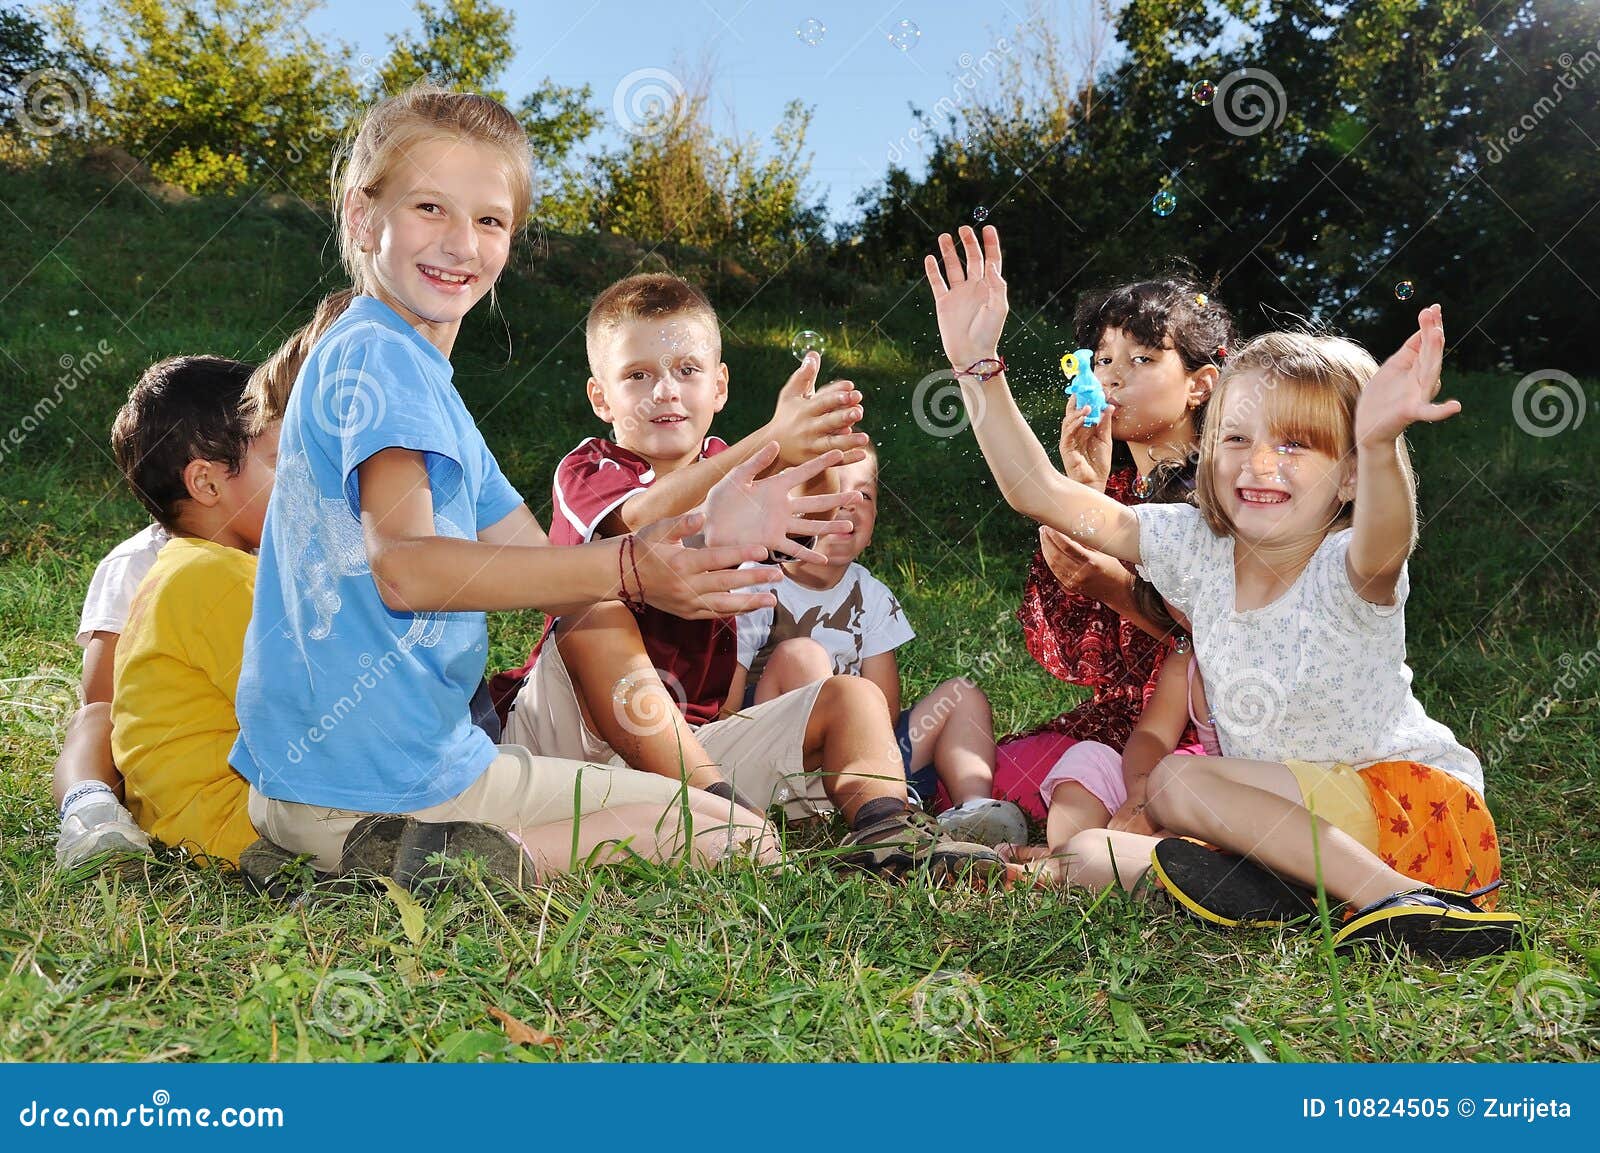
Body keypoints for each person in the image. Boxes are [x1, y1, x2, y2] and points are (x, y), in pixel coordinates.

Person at [230, 85, 839, 889]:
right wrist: (631, 570)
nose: (460, 243)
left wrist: (692, 541)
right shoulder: (382, 355)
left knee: (705, 809)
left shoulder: (405, 372)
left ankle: (350, 855)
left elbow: (548, 566)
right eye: (429, 208)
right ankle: (457, 866)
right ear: (361, 217)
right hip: (388, 784)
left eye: (489, 220)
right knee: (737, 837)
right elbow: (406, 567)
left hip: (314, 786)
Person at [924, 223, 1521, 956]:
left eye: (1295, 444)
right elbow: (1036, 490)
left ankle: (1406, 907)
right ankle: (1295, 906)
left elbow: (1388, 537)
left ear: (1351, 476)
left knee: (1179, 782)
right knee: (1096, 857)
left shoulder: (1348, 565)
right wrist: (977, 364)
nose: (1258, 465)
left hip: (1418, 817)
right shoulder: (1195, 546)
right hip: (1287, 837)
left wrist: (1381, 443)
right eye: (1236, 439)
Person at [497, 272, 1001, 879]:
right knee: (591, 609)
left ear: (719, 385)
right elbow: (635, 517)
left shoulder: (737, 470)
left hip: (689, 749)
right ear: (601, 398)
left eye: (687, 370)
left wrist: (811, 454)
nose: (665, 391)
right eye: (637, 375)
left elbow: (807, 537)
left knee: (853, 697)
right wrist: (768, 440)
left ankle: (890, 834)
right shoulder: (588, 468)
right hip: (566, 736)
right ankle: (723, 813)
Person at [992, 273, 1235, 822]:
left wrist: (1121, 592)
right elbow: (1066, 649)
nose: (1113, 378)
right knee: (1000, 767)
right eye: (1102, 360)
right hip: (1125, 725)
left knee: (1047, 778)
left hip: (1208, 732)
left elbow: (1230, 641)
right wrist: (1084, 487)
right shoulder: (1117, 493)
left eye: (1143, 359)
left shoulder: (1226, 498)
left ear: (1200, 384)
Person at [731, 445, 1028, 847]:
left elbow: (883, 709)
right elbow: (728, 707)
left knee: (963, 694)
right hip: (781, 755)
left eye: (864, 495)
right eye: (830, 490)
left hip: (862, 750)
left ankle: (972, 809)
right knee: (800, 656)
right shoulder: (755, 584)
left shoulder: (871, 594)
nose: (848, 504)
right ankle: (873, 805)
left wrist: (869, 746)